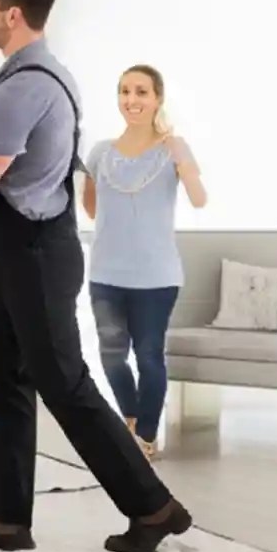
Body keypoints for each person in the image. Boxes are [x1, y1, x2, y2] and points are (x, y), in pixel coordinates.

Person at [0, 0, 191, 552]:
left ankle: (153, 506)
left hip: (34, 255)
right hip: (24, 253)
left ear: (11, 13)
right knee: (2, 377)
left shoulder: (24, 90)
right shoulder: (43, 76)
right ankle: (5, 521)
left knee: (64, 383)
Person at [82, 65, 207, 459]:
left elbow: (200, 199)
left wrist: (183, 160)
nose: (131, 100)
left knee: (149, 355)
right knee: (111, 353)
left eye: (141, 92)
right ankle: (133, 421)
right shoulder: (101, 153)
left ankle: (146, 437)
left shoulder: (172, 148)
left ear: (157, 99)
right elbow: (90, 206)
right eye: (124, 92)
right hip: (106, 273)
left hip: (157, 276)